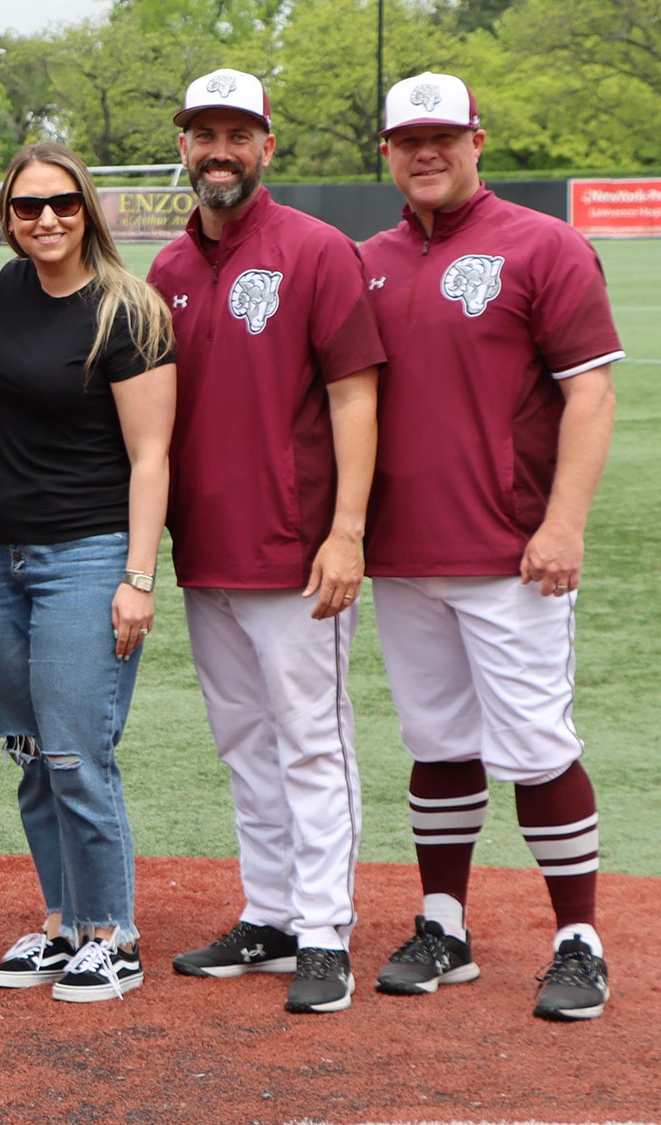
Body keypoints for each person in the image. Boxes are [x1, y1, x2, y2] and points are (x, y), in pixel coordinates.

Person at [360, 72, 620, 1022]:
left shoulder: (542, 244)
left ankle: (580, 940)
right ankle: (444, 927)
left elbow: (589, 392)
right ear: (385, 152)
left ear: (478, 140)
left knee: (538, 744)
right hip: (403, 551)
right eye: (407, 140)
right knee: (435, 741)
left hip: (513, 550)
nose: (426, 153)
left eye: (444, 136)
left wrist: (564, 521)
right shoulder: (368, 259)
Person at [145, 68, 383, 1015]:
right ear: (184, 147)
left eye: (239, 134)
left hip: (298, 552)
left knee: (313, 741)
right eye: (205, 133)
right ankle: (272, 912)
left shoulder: (317, 250)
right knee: (245, 740)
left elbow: (355, 393)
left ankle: (326, 929)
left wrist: (348, 532)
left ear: (267, 147)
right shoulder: (165, 270)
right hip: (207, 548)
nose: (220, 151)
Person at [0, 143, 175, 1004]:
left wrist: (138, 575)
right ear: (8, 216)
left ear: (87, 207)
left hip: (86, 555)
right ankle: (60, 921)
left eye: (61, 203)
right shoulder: (5, 288)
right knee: (28, 751)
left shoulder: (129, 309)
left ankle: (112, 933)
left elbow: (152, 454)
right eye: (26, 207)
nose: (44, 219)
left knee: (77, 752)